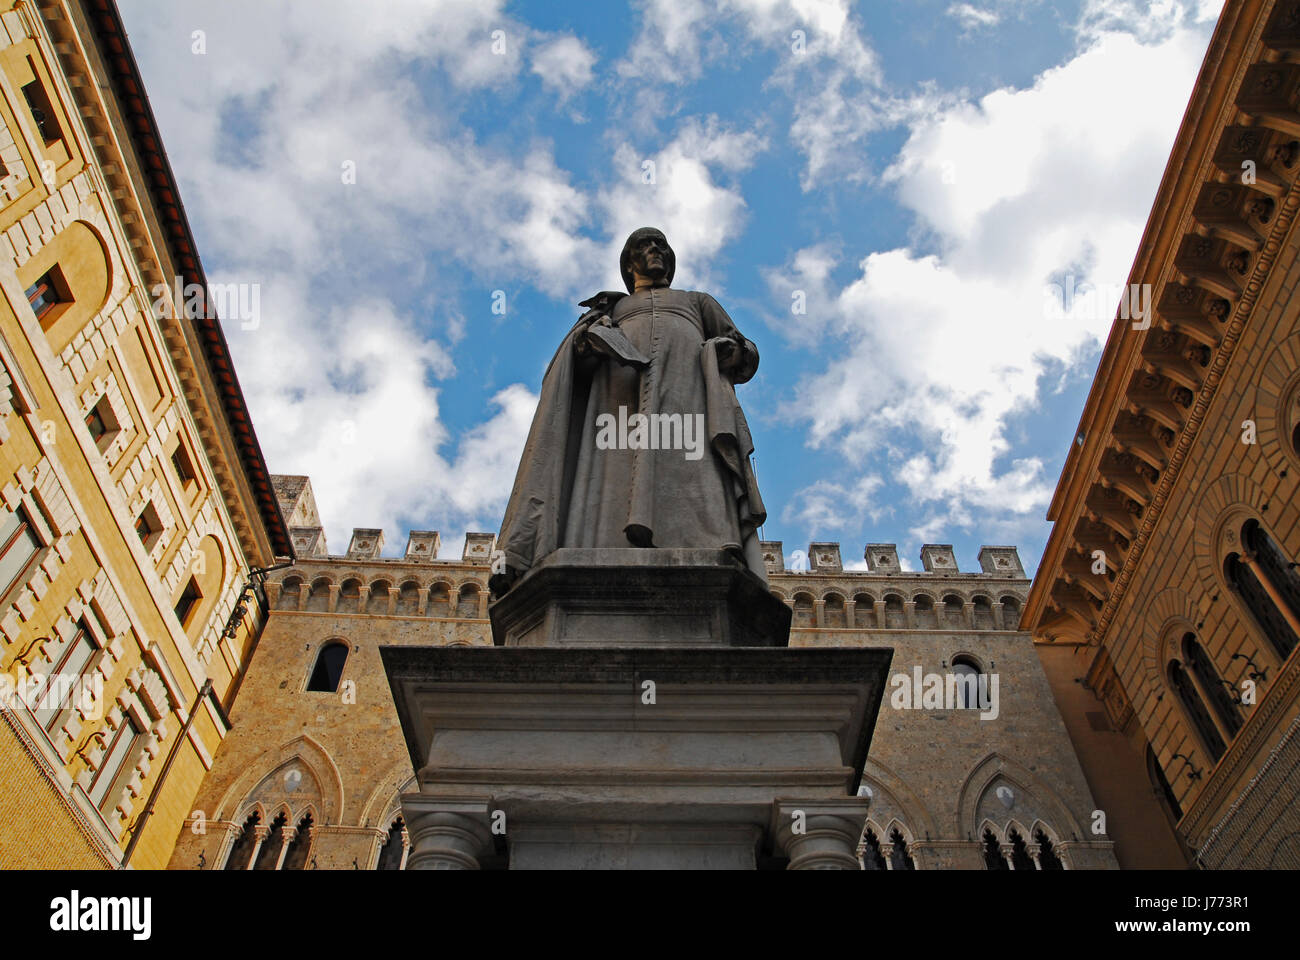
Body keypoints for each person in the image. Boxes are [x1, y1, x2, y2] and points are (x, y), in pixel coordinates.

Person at [490, 227, 769, 597]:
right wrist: (588, 344)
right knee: (613, 481)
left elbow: (745, 349)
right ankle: (598, 548)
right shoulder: (613, 309)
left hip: (687, 403)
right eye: (645, 245)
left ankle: (709, 547)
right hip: (617, 406)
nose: (655, 250)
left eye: (661, 245)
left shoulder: (698, 302)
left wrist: (728, 351)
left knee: (692, 468)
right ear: (629, 263)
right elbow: (573, 371)